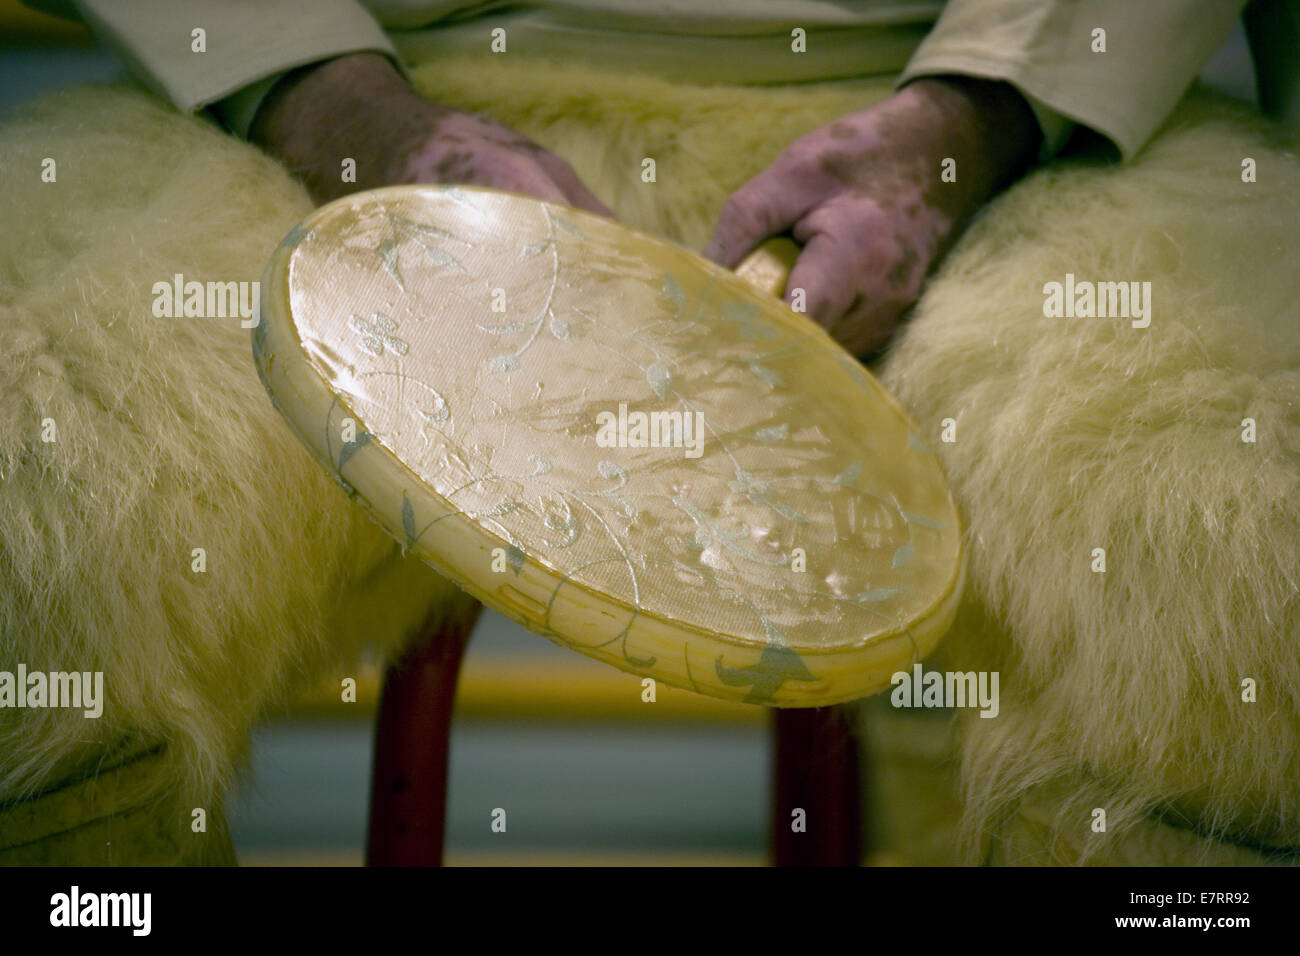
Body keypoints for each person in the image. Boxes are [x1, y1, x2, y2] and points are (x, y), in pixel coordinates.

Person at [26, 0, 1294, 355]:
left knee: (1238, 536)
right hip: (326, 104)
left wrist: (982, 110)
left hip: (976, 117)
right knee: (41, 459)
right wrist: (331, 104)